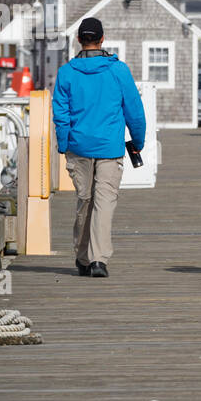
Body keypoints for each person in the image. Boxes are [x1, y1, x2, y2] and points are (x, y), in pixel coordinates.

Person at [53, 17, 146, 279]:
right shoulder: (118, 71)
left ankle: (82, 257)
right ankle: (98, 260)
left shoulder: (66, 73)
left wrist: (64, 143)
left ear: (79, 40)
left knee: (85, 201)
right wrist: (137, 143)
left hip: (78, 146)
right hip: (109, 147)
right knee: (104, 203)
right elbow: (135, 113)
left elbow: (61, 112)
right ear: (102, 39)